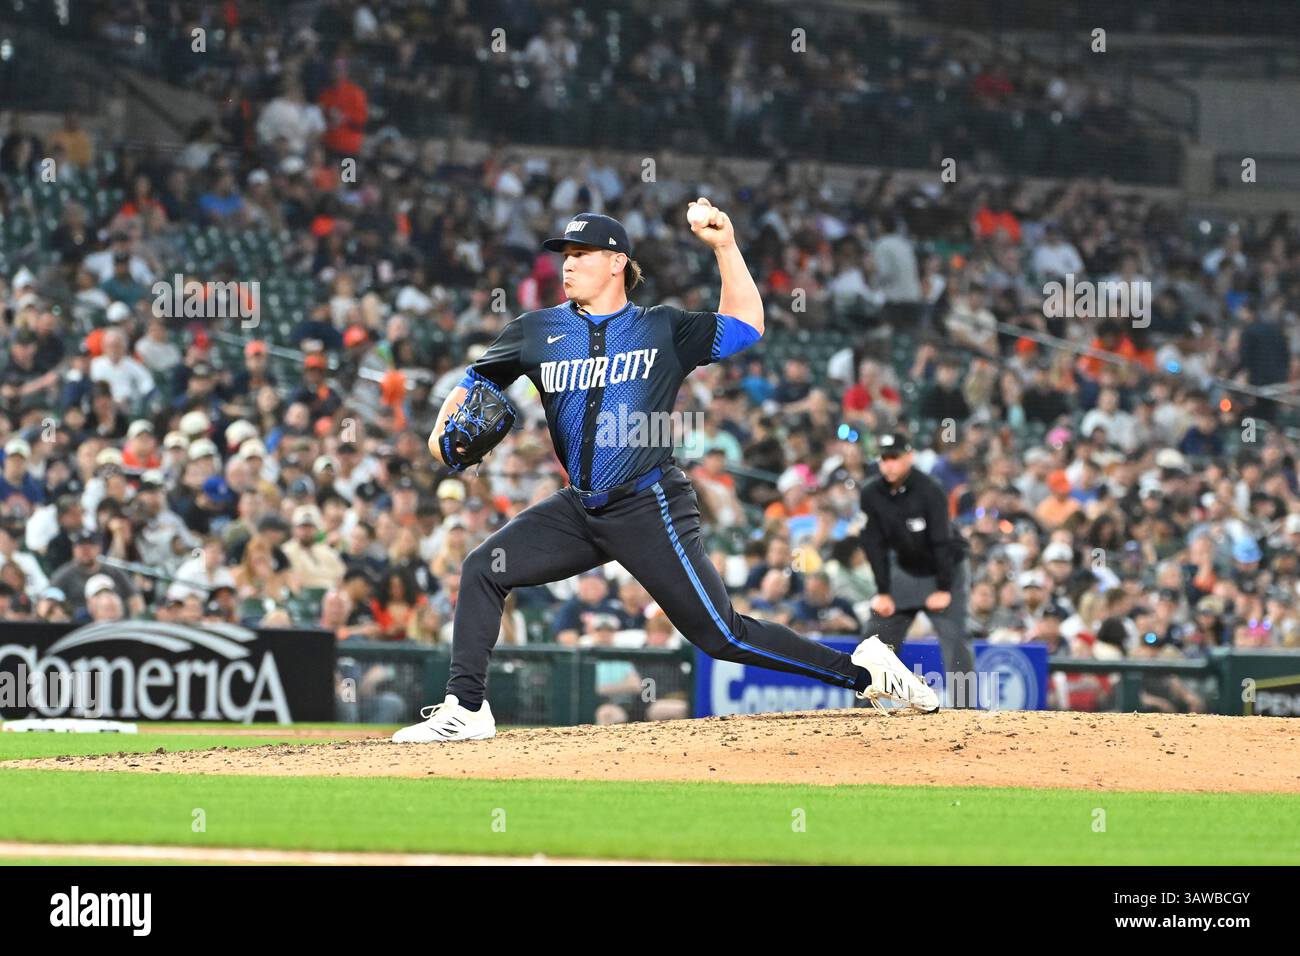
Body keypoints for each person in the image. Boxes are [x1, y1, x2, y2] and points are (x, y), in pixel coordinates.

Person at [393, 205, 936, 743]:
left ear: (616, 263)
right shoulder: (536, 330)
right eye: (565, 254)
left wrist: (724, 246)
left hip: (649, 504)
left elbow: (748, 325)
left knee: (722, 635)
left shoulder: (660, 328)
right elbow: (475, 380)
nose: (567, 264)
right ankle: (466, 709)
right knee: (484, 568)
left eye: (580, 254)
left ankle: (866, 672)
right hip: (581, 507)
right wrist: (441, 437)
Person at [858, 432, 976, 706]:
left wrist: (945, 588)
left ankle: (966, 711)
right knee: (874, 639)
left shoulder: (930, 489)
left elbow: (941, 541)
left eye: (894, 458)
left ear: (909, 457)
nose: (889, 464)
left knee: (955, 638)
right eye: (884, 458)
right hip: (905, 570)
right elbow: (873, 544)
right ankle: (863, 709)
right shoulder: (872, 493)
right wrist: (883, 591)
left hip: (944, 568)